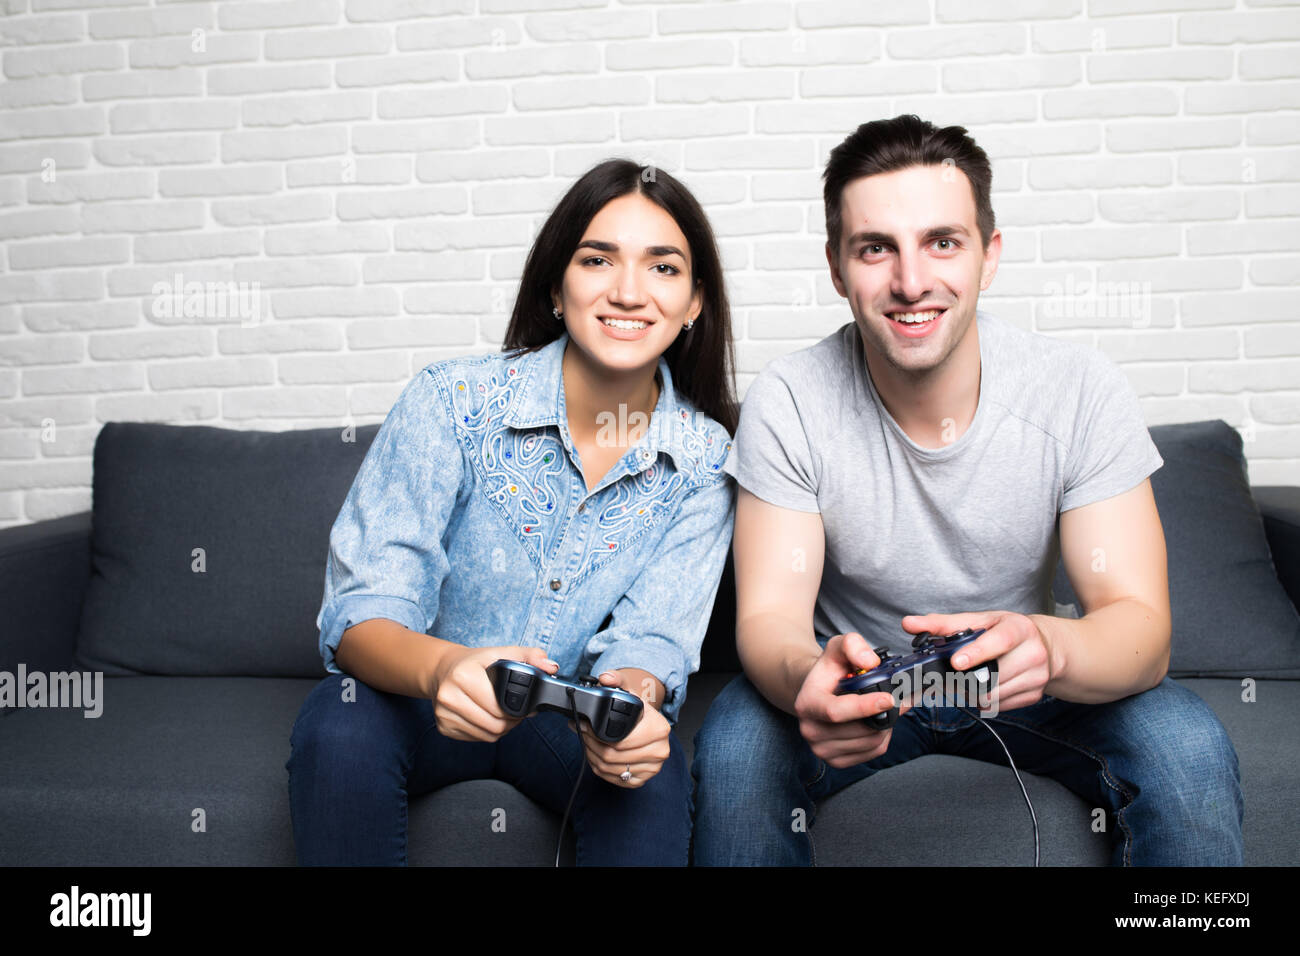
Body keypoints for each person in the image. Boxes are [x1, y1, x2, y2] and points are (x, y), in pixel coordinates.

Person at [691, 114, 1244, 866]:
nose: (911, 281)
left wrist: (1051, 646)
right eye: (876, 248)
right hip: (862, 685)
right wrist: (807, 679)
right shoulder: (790, 399)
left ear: (990, 256)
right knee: (735, 749)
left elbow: (1141, 630)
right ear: (836, 268)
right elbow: (768, 620)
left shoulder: (1078, 389)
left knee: (1187, 743)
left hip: (1028, 686)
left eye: (942, 242)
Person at [287, 158, 738, 866]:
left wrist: (631, 702)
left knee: (650, 775)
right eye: (597, 259)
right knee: (338, 722)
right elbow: (362, 612)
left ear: (694, 302)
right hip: (417, 696)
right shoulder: (449, 401)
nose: (628, 291)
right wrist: (445, 669)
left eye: (662, 267)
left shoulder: (706, 460)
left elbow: (652, 638)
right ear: (557, 287)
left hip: (565, 720)